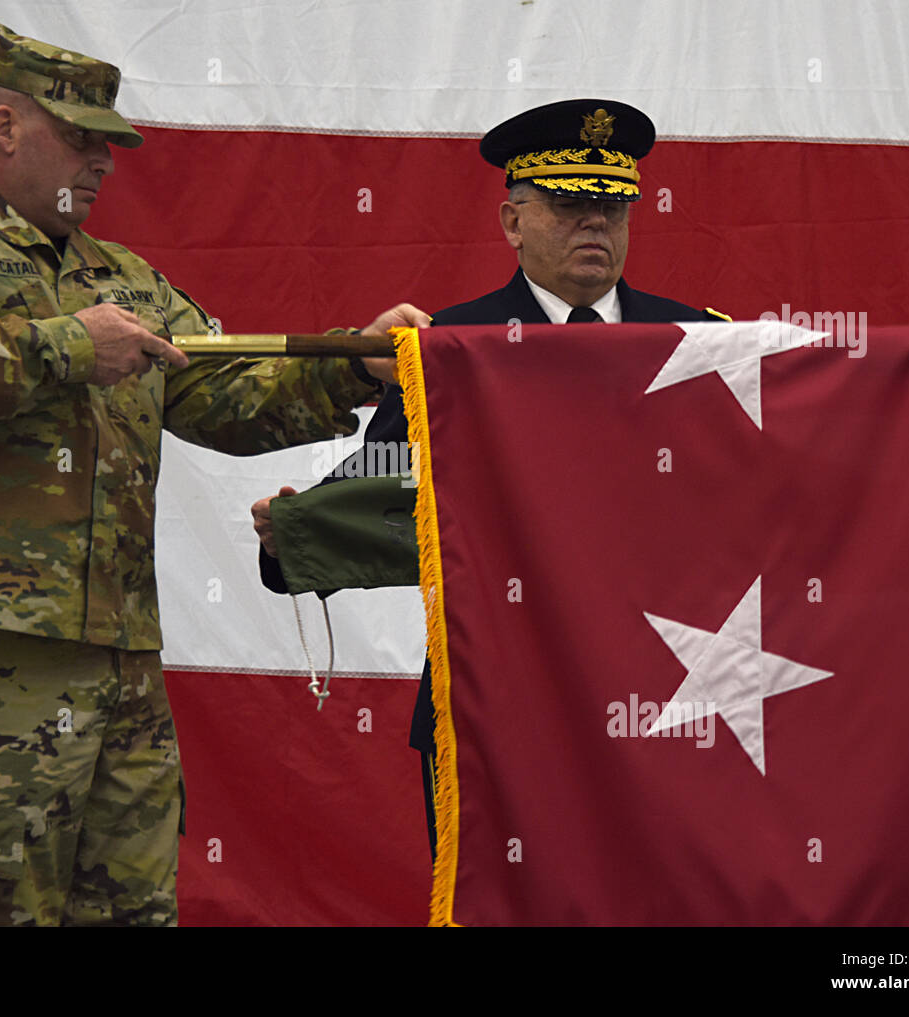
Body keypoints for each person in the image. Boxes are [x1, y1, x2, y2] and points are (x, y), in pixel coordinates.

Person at [0, 22, 425, 926]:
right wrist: (67, 348)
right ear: (5, 126)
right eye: (81, 136)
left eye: (111, 141)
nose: (104, 160)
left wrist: (355, 364)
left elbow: (225, 390)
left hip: (124, 664)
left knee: (130, 909)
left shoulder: (126, 281)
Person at [252, 98, 730, 856]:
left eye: (613, 207)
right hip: (497, 712)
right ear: (512, 220)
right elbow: (385, 490)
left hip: (669, 704)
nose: (596, 225)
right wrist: (294, 537)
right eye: (572, 204)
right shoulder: (451, 349)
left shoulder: (703, 346)